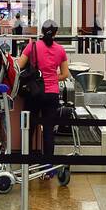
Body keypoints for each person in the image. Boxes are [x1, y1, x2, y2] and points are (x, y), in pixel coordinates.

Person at [18, 19, 69, 175]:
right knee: (48, 131)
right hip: (51, 94)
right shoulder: (60, 50)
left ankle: (26, 164)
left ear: (41, 30)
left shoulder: (32, 46)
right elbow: (65, 74)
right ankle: (48, 169)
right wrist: (52, 78)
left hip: (34, 93)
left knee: (29, 128)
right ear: (56, 33)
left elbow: (18, 66)